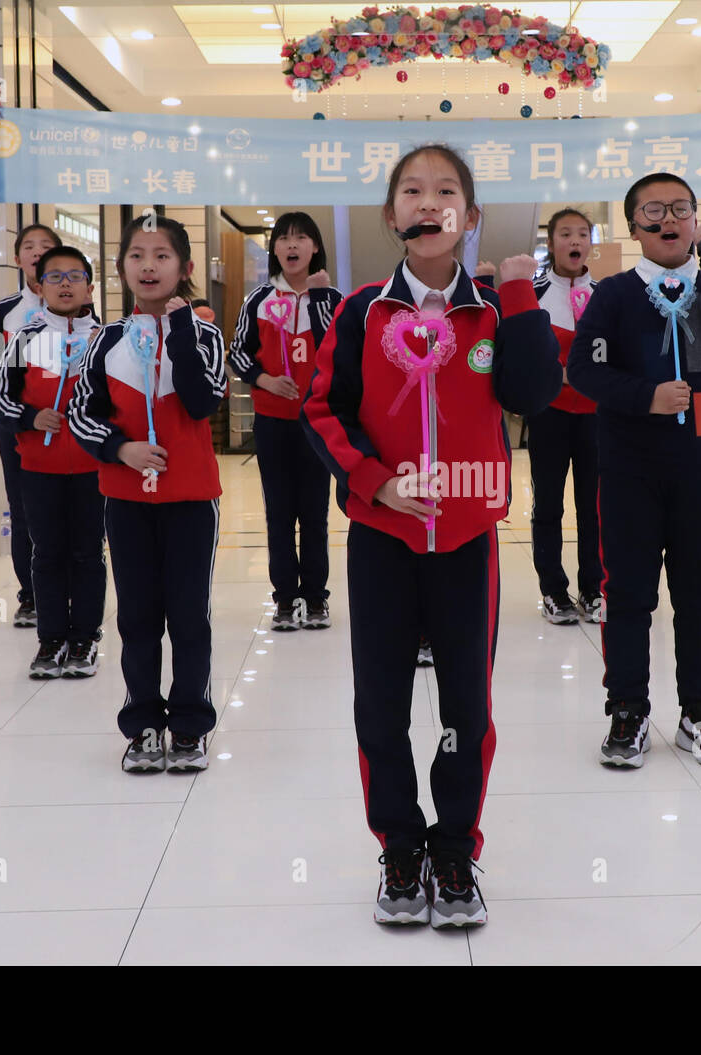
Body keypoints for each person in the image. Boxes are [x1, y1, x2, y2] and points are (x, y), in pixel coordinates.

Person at [302, 144, 560, 928]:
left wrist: (518, 296)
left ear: (470, 218)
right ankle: (400, 847)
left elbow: (533, 392)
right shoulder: (359, 311)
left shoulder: (491, 310)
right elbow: (322, 409)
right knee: (380, 705)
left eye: (446, 191)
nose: (428, 202)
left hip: (468, 541)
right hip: (381, 537)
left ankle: (454, 851)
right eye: (411, 190)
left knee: (464, 709)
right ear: (392, 216)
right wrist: (374, 479)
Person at [567, 174, 701, 768]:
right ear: (634, 228)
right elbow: (584, 371)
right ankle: (628, 710)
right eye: (654, 210)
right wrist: (644, 395)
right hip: (629, 467)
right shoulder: (614, 295)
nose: (669, 220)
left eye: (681, 209)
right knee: (627, 594)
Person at [67, 215, 228, 774]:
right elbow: (80, 415)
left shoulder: (206, 334)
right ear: (122, 268)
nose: (149, 265)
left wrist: (181, 330)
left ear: (183, 268)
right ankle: (141, 725)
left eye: (162, 256)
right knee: (136, 617)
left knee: (189, 616)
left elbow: (204, 401)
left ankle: (188, 725)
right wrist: (120, 449)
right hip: (126, 500)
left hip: (190, 499)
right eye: (137, 255)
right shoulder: (104, 340)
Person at [0, 246, 105, 678]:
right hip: (38, 468)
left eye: (75, 276)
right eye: (54, 277)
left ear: (90, 287)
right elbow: (0, 395)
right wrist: (30, 417)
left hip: (95, 469)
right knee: (48, 554)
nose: (65, 284)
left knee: (88, 555)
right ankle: (51, 640)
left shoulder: (106, 339)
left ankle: (85, 640)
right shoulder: (26, 338)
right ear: (39, 288)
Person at [228, 213, 343, 631]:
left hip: (316, 423)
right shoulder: (257, 300)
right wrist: (263, 379)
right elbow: (238, 353)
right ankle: (284, 599)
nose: (292, 245)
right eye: (284, 238)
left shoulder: (331, 299)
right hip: (273, 422)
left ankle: (315, 598)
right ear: (274, 248)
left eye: (302, 238)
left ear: (315, 248)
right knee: (279, 512)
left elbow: (339, 352)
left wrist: (318, 299)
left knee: (315, 513)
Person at [0, 223, 61, 628]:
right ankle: (30, 596)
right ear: (17, 258)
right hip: (18, 428)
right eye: (30, 246)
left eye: (47, 246)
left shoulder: (79, 308)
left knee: (72, 512)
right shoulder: (5, 312)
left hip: (67, 429)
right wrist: (18, 407)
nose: (38, 252)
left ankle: (71, 592)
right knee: (25, 511)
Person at [528, 208, 601, 624]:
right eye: (565, 234)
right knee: (548, 506)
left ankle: (594, 588)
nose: (574, 241)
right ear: (551, 243)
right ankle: (553, 591)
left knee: (595, 507)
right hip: (549, 414)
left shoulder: (606, 293)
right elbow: (522, 354)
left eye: (581, 234)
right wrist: (555, 374)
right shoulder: (535, 293)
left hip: (596, 416)